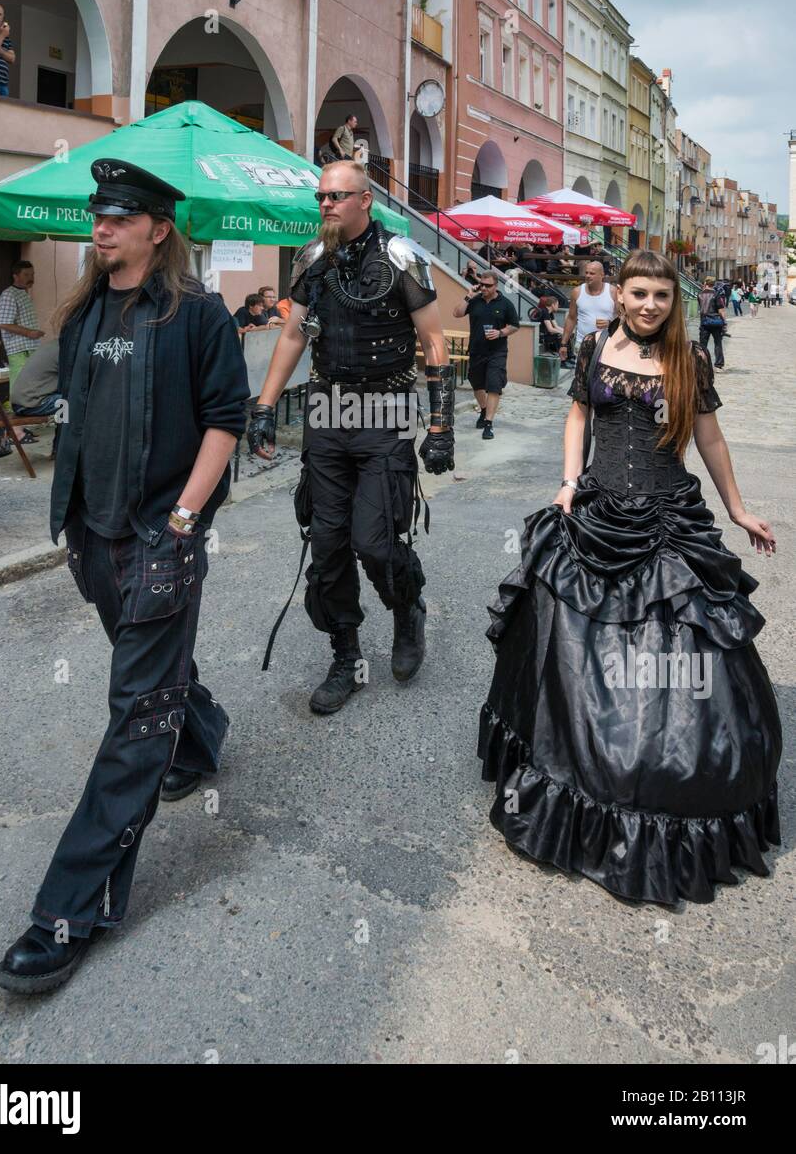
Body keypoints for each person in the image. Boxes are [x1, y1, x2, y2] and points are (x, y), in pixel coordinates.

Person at [0, 159, 249, 995]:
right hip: (92, 537)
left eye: (118, 216)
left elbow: (224, 422)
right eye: (96, 214)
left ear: (157, 228)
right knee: (157, 682)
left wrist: (182, 523)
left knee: (134, 720)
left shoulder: (197, 315)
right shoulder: (86, 311)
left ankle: (65, 913)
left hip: (155, 539)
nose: (100, 227)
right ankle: (202, 735)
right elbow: (42, 399)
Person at [478, 249, 781, 906]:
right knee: (570, 650)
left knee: (672, 650)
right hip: (596, 508)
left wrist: (736, 509)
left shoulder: (688, 361)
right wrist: (566, 484)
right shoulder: (591, 349)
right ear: (619, 295)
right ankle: (578, 768)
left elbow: (710, 439)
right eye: (638, 293)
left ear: (674, 303)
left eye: (660, 297)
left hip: (667, 520)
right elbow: (579, 416)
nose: (647, 305)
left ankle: (656, 782)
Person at [248, 159, 453, 715]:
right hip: (327, 412)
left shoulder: (403, 255)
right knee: (329, 545)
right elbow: (292, 336)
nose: (327, 205)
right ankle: (347, 658)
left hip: (385, 411)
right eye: (321, 197)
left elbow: (434, 342)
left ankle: (407, 609)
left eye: (338, 196)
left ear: (365, 200)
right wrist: (265, 406)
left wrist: (440, 425)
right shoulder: (313, 259)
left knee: (375, 541)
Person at [453, 271, 520, 439]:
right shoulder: (474, 301)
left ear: (496, 286)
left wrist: (500, 333)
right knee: (476, 384)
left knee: (494, 385)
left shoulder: (505, 304)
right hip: (476, 350)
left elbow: (514, 325)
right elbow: (457, 313)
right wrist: (468, 296)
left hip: (497, 351)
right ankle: (483, 409)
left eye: (488, 285)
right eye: (482, 284)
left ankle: (488, 424)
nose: (484, 288)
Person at [0, 260, 45, 443]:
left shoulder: (23, 293)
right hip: (19, 349)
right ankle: (15, 431)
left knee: (27, 388)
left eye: (32, 275)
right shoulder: (9, 295)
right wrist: (29, 333)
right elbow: (2, 323)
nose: (30, 278)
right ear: (15, 276)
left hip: (29, 348)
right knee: (18, 388)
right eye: (26, 275)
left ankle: (22, 428)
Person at [10, 336, 63, 457]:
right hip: (30, 403)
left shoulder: (52, 345)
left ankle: (59, 449)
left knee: (68, 403)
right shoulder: (62, 350)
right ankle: (61, 450)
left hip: (22, 401)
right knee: (73, 402)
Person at [558, 260, 617, 365]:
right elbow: (571, 318)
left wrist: (611, 323)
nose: (588, 276)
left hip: (606, 344)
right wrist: (563, 344)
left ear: (602, 275)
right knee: (581, 379)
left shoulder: (613, 292)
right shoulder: (577, 292)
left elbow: (623, 317)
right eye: (586, 273)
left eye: (592, 273)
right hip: (582, 344)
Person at [698, 275, 727, 370]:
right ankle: (718, 364)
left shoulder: (700, 294)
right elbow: (721, 310)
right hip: (716, 322)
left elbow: (702, 308)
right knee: (718, 343)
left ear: (705, 283)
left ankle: (701, 364)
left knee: (702, 345)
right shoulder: (716, 294)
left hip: (704, 322)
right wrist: (724, 323)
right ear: (713, 284)